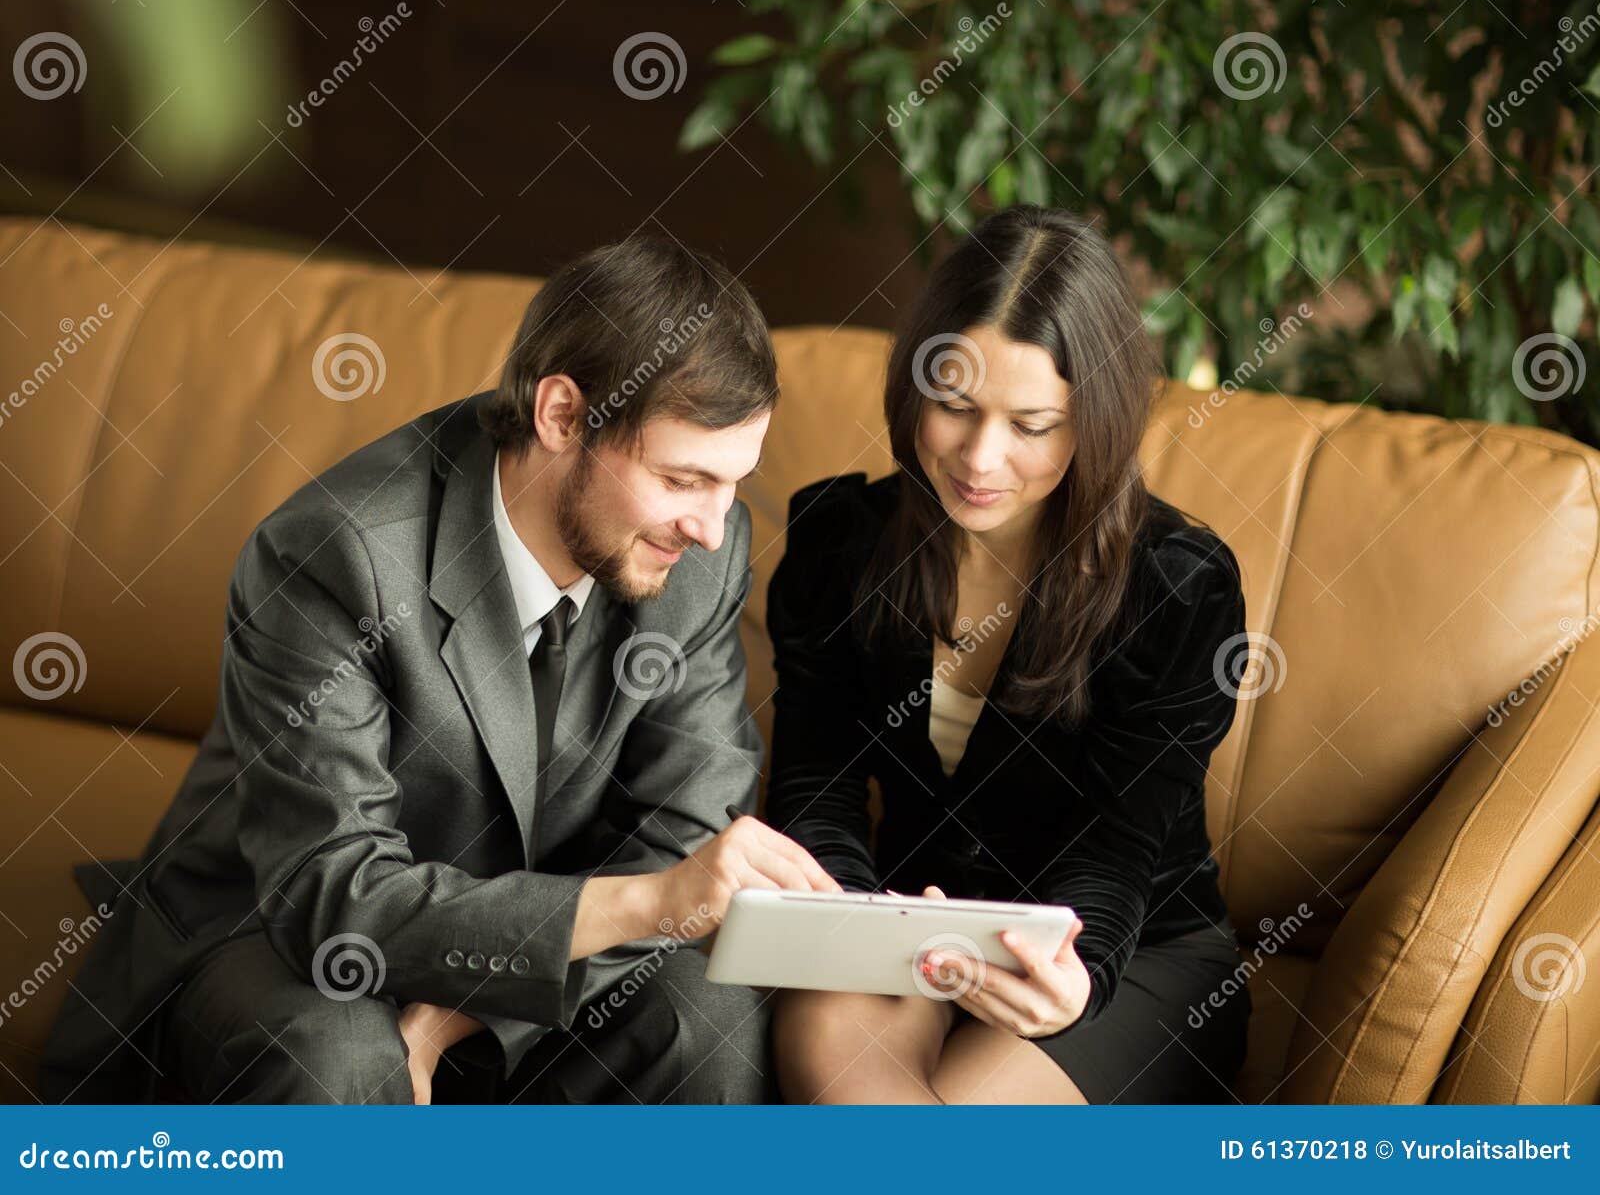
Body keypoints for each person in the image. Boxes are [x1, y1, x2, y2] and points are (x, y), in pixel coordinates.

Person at [39, 235, 838, 1106]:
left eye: (732, 483)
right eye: (683, 478)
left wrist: (457, 1012)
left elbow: (688, 826)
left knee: (704, 1021)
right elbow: (333, 893)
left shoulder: (699, 555)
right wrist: (642, 906)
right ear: (563, 417)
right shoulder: (336, 553)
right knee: (343, 1056)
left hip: (542, 946)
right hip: (280, 933)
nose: (714, 528)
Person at [764, 205, 1252, 1105]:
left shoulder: (1177, 587)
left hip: (1124, 954)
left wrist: (1078, 974)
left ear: (1095, 421)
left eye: (1031, 425)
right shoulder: (841, 542)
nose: (980, 458)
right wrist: (856, 921)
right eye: (954, 406)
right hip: (907, 925)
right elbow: (816, 781)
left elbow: (1120, 845)